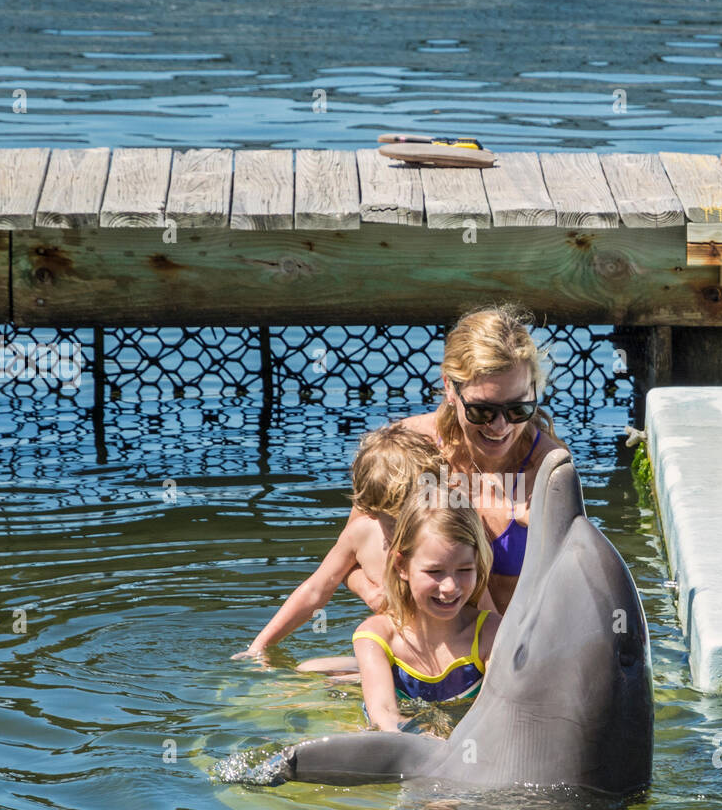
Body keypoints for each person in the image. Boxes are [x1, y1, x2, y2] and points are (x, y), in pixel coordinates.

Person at [399, 305, 566, 612]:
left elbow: (572, 580)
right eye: (481, 411)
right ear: (450, 387)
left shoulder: (548, 466)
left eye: (519, 409)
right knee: (309, 665)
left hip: (507, 651)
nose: (500, 426)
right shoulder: (407, 447)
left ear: (533, 390)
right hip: (419, 651)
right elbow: (350, 556)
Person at [231, 423, 444, 661]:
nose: (408, 529)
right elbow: (315, 590)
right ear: (372, 510)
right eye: (395, 522)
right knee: (312, 669)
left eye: (417, 516)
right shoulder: (361, 535)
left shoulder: (447, 536)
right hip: (395, 651)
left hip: (446, 651)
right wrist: (261, 645)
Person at [351, 497, 501, 732]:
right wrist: (429, 741)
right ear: (402, 566)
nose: (450, 586)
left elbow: (496, 714)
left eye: (464, 570)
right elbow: (384, 717)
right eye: (435, 571)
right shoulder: (376, 638)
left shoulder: (492, 633)